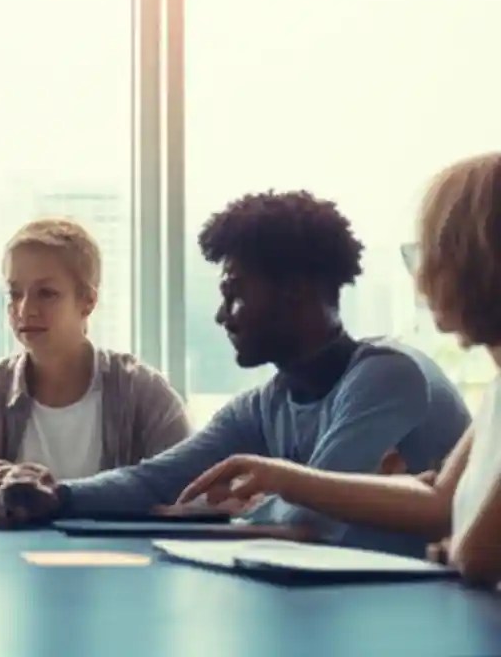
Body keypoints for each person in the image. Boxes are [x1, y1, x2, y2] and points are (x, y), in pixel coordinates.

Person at [0, 190, 470, 557]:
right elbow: (159, 479)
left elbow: (309, 514)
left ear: (295, 293)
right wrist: (58, 496)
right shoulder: (265, 405)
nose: (223, 315)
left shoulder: (391, 377)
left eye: (235, 293)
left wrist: (222, 513)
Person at [179, 153, 501, 585]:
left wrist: (450, 544)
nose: (419, 277)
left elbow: (475, 554)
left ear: (480, 262)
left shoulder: (389, 371)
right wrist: (281, 477)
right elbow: (439, 499)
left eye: (429, 254)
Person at [0, 218, 190, 501]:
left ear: (88, 301)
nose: (25, 309)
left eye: (46, 294)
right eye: (15, 293)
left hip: (116, 547)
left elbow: (183, 481)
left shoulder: (144, 392)